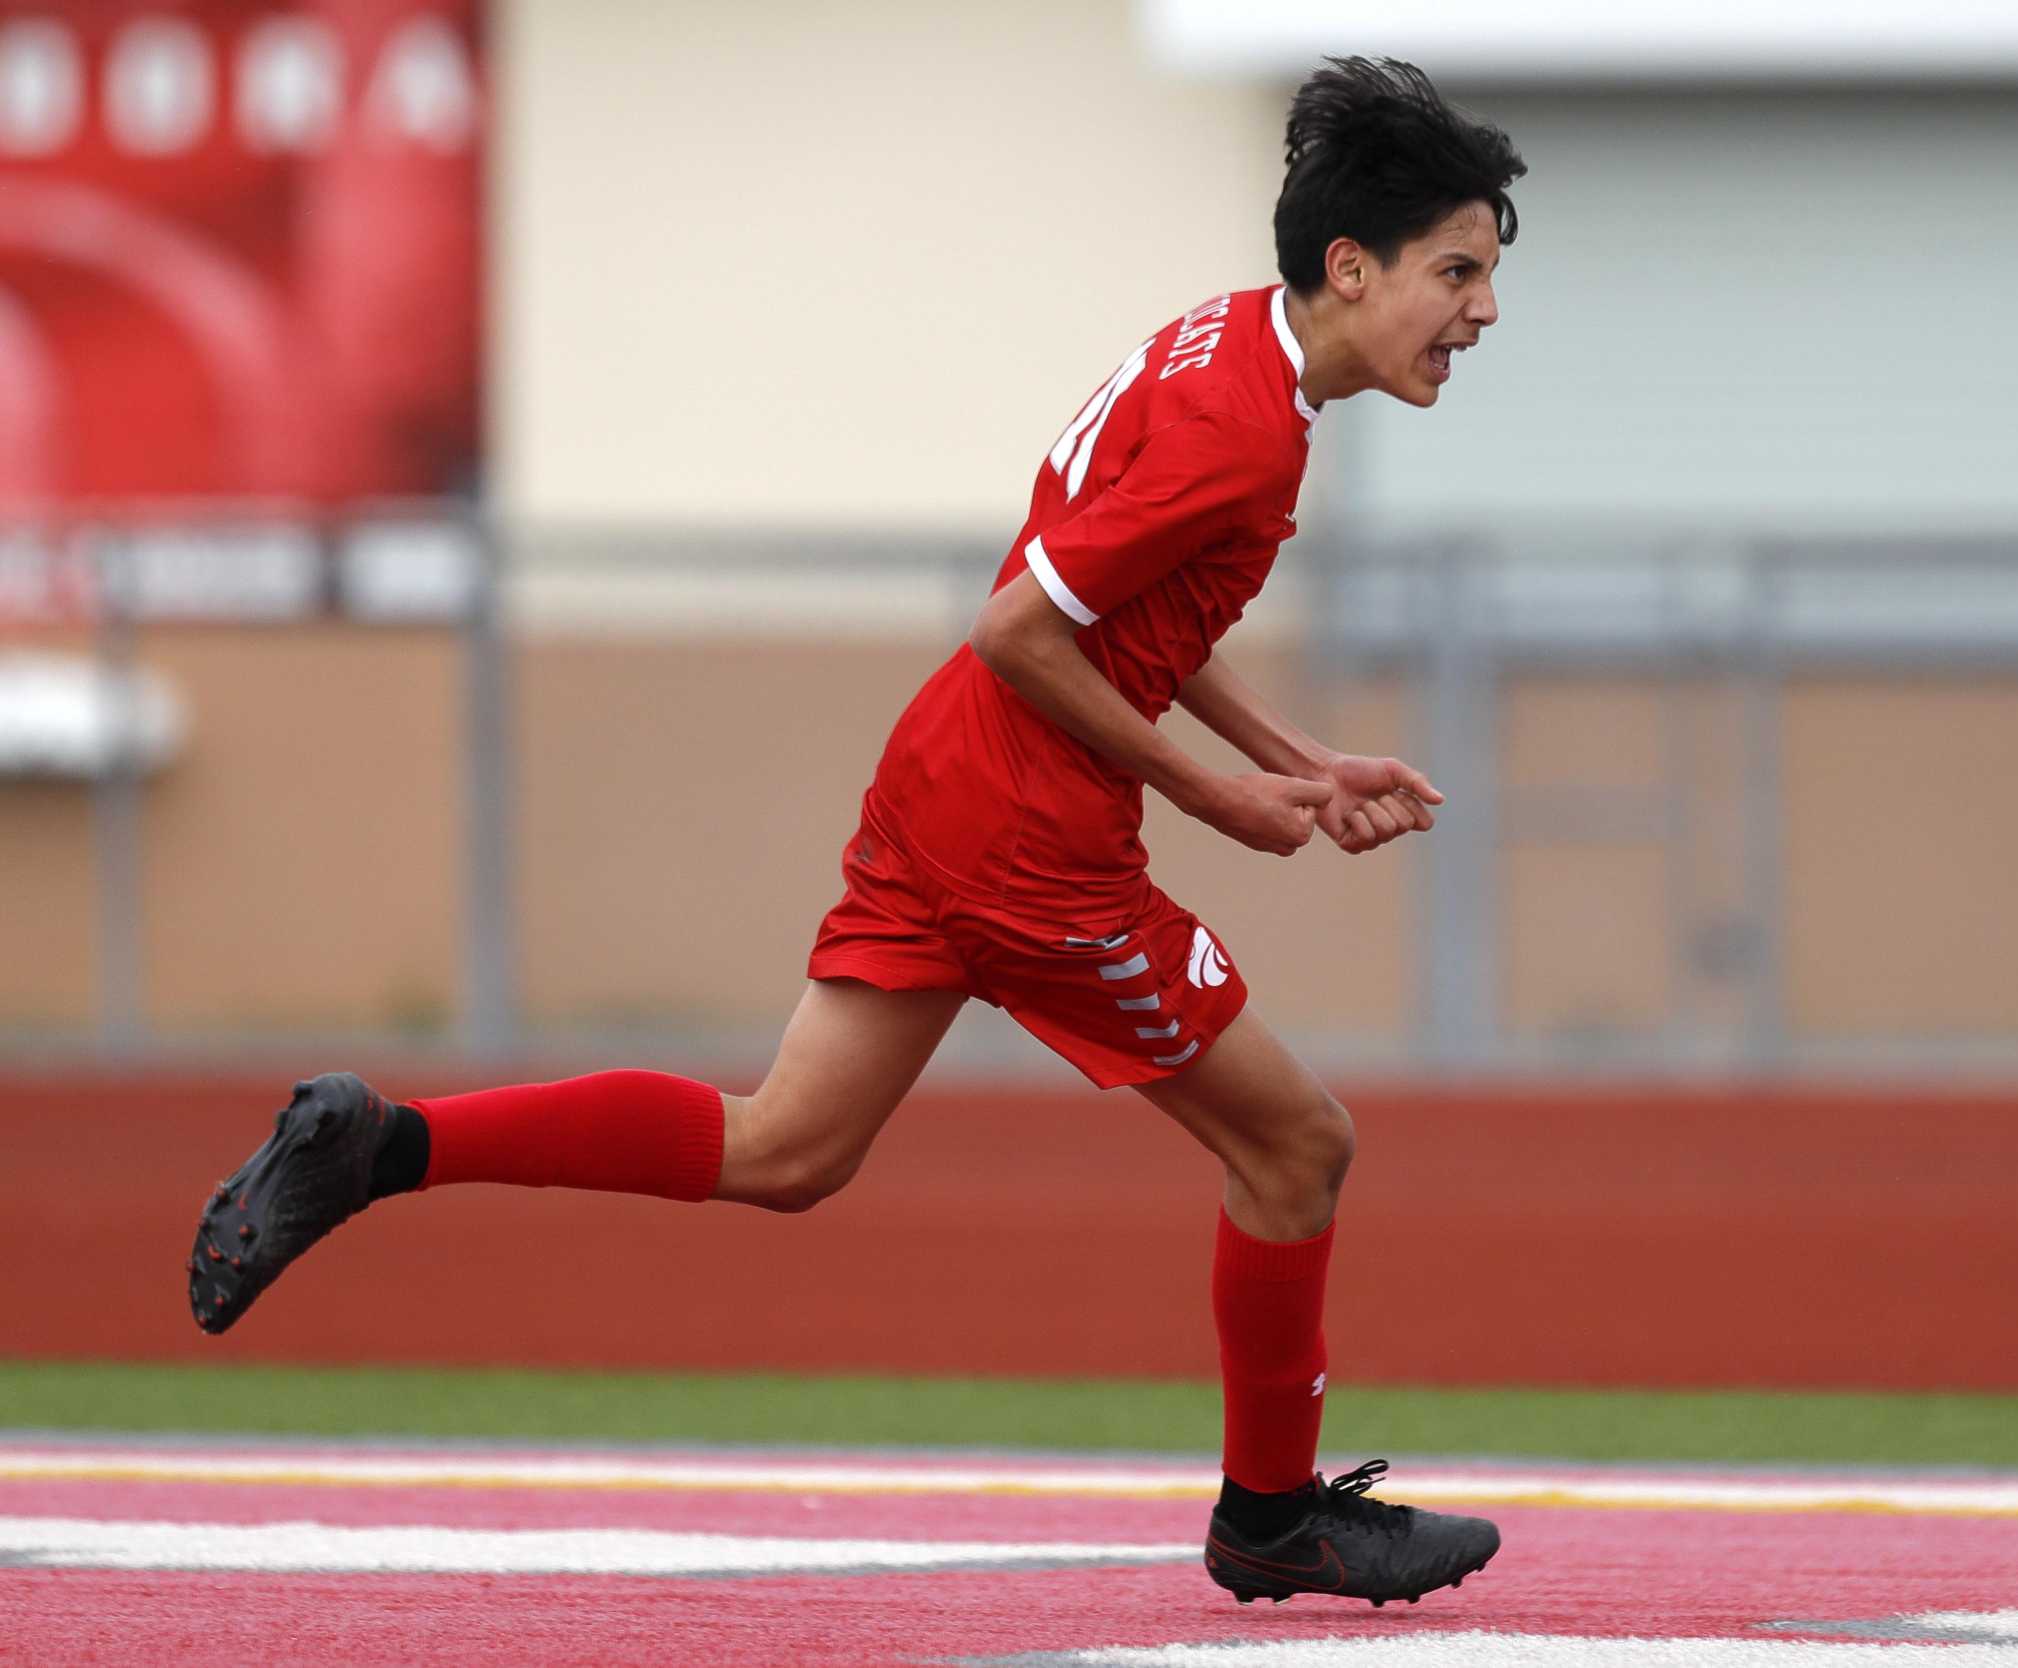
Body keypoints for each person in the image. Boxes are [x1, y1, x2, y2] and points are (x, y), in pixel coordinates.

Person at [188, 55, 1525, 1609]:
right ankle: (1271, 1514)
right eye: (1459, 271)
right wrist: (1218, 794)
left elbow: (1115, 611)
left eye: (1488, 274)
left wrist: (1298, 753)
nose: (1482, 309)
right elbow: (1025, 625)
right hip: (1029, 835)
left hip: (946, 779)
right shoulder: (1253, 430)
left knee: (789, 1148)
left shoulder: (1221, 343)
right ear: (1350, 266)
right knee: (1298, 1144)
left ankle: (384, 1145)